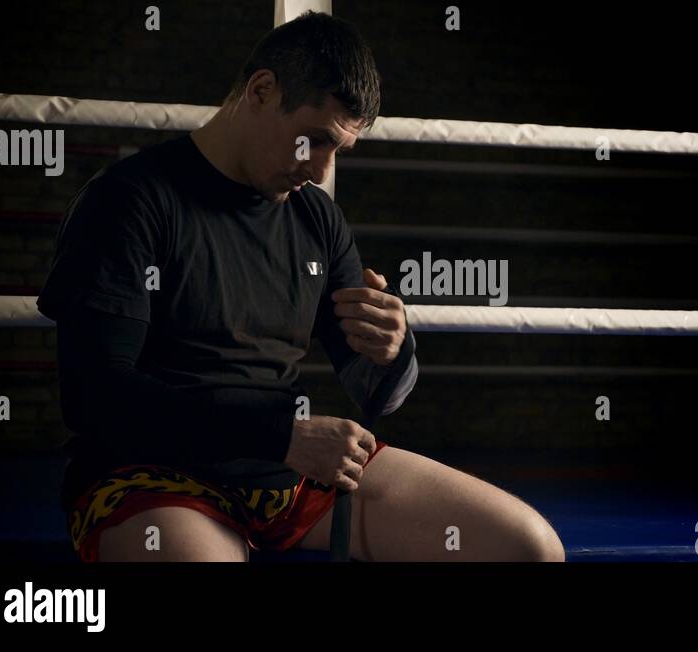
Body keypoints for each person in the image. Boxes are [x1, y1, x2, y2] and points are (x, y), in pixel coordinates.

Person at [38, 11, 565, 562]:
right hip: (152, 477)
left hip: (287, 477)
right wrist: (281, 436)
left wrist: (391, 348)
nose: (320, 169)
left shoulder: (316, 219)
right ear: (262, 91)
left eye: (338, 149)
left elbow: (375, 390)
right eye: (312, 140)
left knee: (530, 547)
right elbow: (94, 396)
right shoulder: (131, 201)